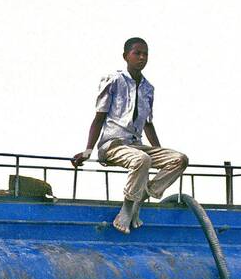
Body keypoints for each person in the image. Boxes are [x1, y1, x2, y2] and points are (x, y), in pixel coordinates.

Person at [71, 37, 189, 233]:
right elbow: (99, 118)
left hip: (136, 145)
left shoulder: (148, 88)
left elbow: (148, 124)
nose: (142, 57)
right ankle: (126, 210)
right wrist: (88, 151)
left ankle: (139, 199)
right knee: (142, 159)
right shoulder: (113, 81)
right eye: (137, 53)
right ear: (126, 56)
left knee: (179, 159)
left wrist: (159, 151)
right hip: (113, 145)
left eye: (145, 54)